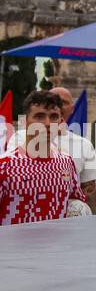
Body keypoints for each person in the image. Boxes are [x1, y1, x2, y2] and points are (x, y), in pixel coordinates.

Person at [0, 91, 86, 225]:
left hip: (57, 245)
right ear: (24, 121)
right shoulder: (4, 166)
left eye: (53, 117)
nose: (47, 123)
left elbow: (76, 202)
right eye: (39, 116)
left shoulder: (67, 163)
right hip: (13, 245)